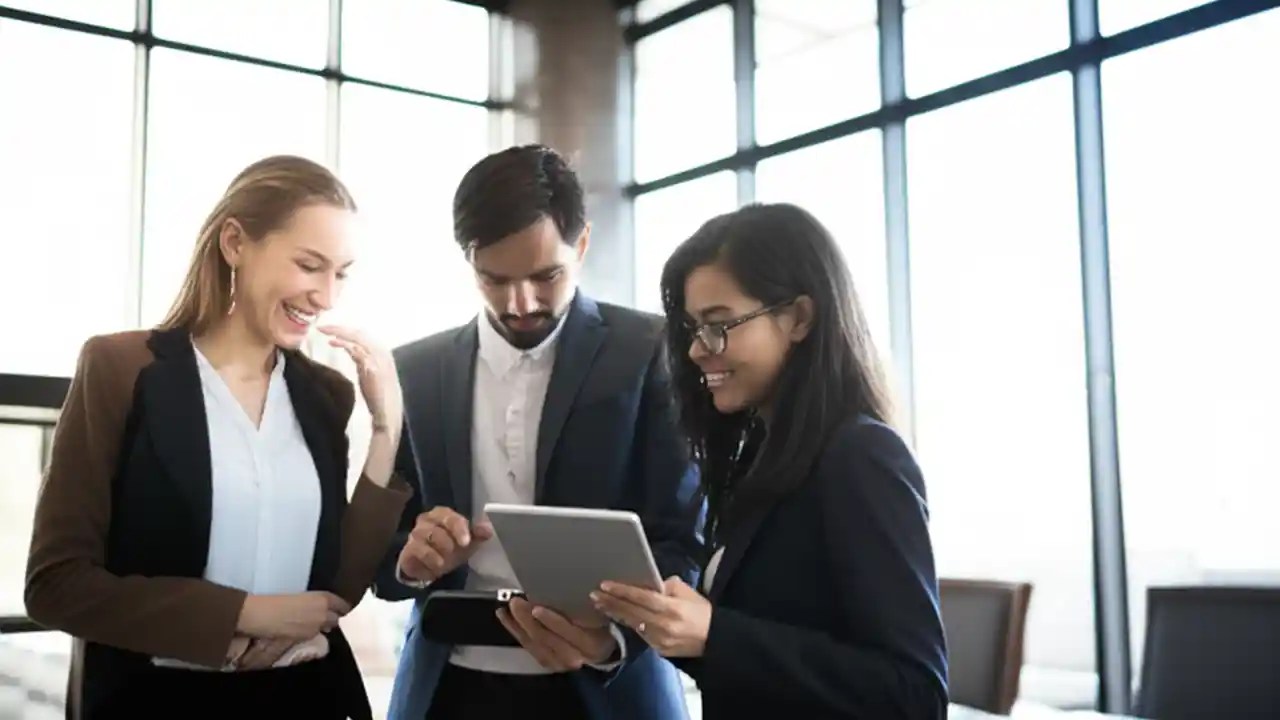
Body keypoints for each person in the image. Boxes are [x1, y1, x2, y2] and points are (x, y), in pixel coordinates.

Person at [24, 155, 413, 719]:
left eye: (342, 273)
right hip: (155, 703)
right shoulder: (121, 370)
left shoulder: (325, 395)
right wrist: (242, 612)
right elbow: (55, 585)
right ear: (235, 243)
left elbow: (333, 592)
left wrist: (386, 428)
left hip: (303, 699)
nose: (326, 296)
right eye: (309, 265)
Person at [371, 144, 701, 720]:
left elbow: (683, 537)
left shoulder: (651, 352)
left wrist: (611, 639)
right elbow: (383, 554)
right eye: (493, 279)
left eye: (545, 276)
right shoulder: (413, 371)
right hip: (449, 690)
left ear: (582, 244)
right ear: (467, 259)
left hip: (604, 686)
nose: (519, 303)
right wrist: (411, 559)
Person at [593, 203, 949, 719]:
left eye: (720, 325)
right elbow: (759, 660)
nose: (697, 350)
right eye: (693, 328)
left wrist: (715, 633)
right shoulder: (758, 456)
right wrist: (676, 626)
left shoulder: (860, 456)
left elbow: (914, 694)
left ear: (800, 318)